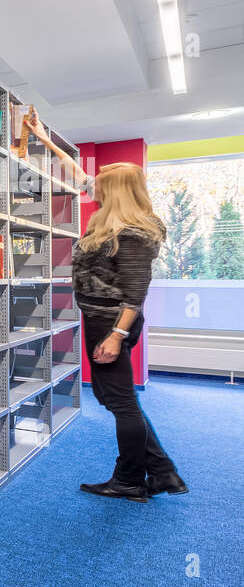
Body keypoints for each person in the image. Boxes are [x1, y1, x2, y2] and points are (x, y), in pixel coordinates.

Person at [72, 162, 185, 502]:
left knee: (120, 402)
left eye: (102, 185)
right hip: (102, 321)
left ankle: (130, 479)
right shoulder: (115, 222)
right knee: (113, 397)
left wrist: (115, 336)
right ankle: (163, 472)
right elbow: (82, 178)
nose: (95, 189)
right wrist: (39, 138)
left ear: (116, 191)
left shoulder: (132, 234)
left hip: (111, 324)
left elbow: (135, 295)